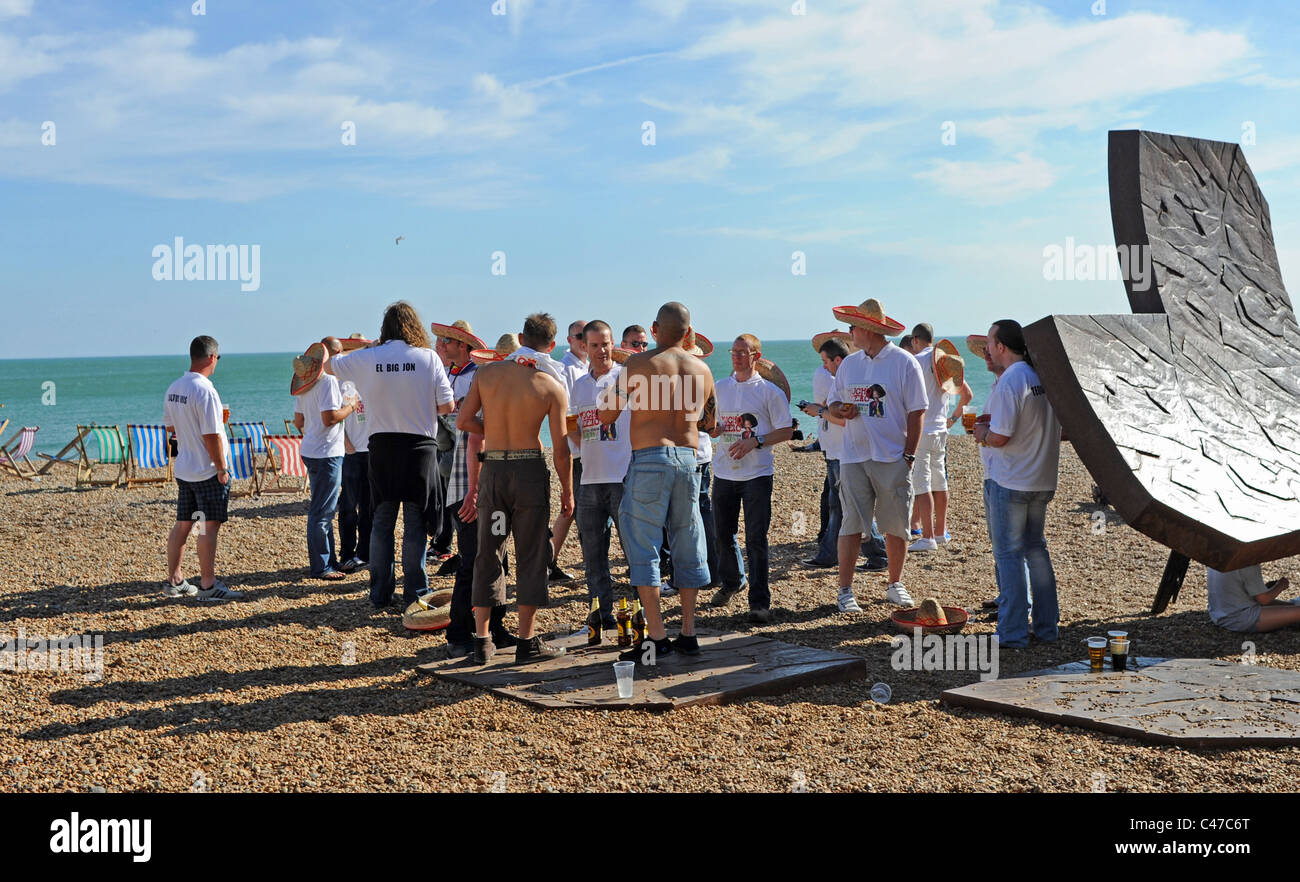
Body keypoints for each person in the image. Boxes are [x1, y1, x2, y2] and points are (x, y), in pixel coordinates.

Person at [458, 312, 574, 666]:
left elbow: (464, 421)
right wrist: (567, 493)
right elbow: (561, 446)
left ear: (521, 337)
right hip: (527, 471)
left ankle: (481, 640)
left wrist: (492, 423)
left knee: (488, 551)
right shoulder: (549, 385)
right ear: (552, 345)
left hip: (493, 468)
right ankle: (526, 641)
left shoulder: (487, 373)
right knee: (530, 554)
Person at [603, 302, 716, 662]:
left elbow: (607, 412)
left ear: (654, 329)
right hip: (688, 459)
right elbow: (711, 423)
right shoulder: (702, 369)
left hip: (650, 458)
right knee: (687, 539)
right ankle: (688, 632)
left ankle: (655, 637)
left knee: (644, 543)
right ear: (688, 332)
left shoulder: (636, 364)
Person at [329, 302, 454, 610]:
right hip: (419, 450)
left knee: (382, 521)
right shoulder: (429, 358)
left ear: (385, 328)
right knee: (415, 522)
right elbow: (447, 407)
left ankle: (380, 593)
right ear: (415, 327)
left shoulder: (368, 358)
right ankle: (416, 594)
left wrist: (368, 350)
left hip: (382, 447)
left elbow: (329, 363)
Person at [828, 298, 927, 612]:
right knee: (851, 524)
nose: (850, 333)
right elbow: (833, 403)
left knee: (895, 525)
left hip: (892, 456)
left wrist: (908, 457)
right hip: (854, 455)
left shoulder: (903, 362)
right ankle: (845, 590)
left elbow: (917, 412)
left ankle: (895, 584)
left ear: (867, 330)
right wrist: (839, 409)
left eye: (852, 327)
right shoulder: (851, 364)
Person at [974, 319, 1061, 649]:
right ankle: (1046, 627)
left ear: (1001, 347)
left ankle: (1011, 633)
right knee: (1035, 551)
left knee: (1009, 555)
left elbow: (1000, 436)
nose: (986, 349)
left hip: (1012, 479)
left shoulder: (1012, 379)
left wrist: (982, 434)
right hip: (1041, 476)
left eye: (989, 343)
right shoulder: (1042, 375)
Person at [710, 334, 794, 622]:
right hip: (723, 471)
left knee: (756, 538)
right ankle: (732, 582)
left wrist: (755, 441)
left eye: (743, 352)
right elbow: (711, 423)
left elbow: (786, 431)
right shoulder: (719, 387)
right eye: (734, 352)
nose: (737, 357)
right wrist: (713, 430)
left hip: (757, 474)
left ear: (756, 356)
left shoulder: (770, 392)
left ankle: (759, 602)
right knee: (722, 534)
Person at [442, 334, 515, 658]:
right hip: (475, 489)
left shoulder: (481, 389)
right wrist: (474, 493)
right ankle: (462, 632)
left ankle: (488, 629)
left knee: (490, 559)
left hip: (472, 488)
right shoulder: (491, 393)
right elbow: (476, 443)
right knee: (479, 560)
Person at [162, 335, 242, 600]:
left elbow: (172, 427)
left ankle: (174, 580)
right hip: (207, 469)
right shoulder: (205, 389)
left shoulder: (175, 387)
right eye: (217, 358)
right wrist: (222, 468)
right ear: (211, 357)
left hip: (185, 467)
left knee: (183, 524)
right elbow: (211, 435)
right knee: (207, 526)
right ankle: (207, 585)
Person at [568, 320, 632, 628]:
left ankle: (640, 617)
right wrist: (584, 446)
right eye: (594, 345)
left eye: (605, 343)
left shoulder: (625, 379)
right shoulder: (579, 385)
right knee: (593, 557)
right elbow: (569, 424)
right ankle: (600, 616)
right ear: (584, 347)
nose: (601, 350)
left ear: (612, 343)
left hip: (623, 477)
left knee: (634, 553)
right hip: (589, 481)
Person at [428, 320, 487, 575]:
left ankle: (467, 556)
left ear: (463, 345)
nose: (441, 344)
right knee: (450, 504)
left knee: (463, 507)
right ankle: (454, 549)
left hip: (468, 451)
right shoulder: (449, 371)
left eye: (447, 340)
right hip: (447, 450)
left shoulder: (477, 373)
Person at [907, 324, 973, 551]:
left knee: (922, 482)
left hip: (922, 429)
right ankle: (940, 531)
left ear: (915, 340)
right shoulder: (944, 362)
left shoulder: (915, 361)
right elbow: (968, 395)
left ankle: (927, 537)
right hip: (941, 429)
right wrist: (953, 420)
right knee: (939, 480)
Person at [293, 337, 354, 581]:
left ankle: (329, 560)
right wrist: (351, 406)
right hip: (327, 451)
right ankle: (321, 566)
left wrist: (312, 431)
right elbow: (329, 418)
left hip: (310, 449)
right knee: (323, 511)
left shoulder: (304, 387)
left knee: (322, 507)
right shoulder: (328, 382)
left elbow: (299, 422)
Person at [801, 336, 849, 569]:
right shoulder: (840, 380)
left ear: (837, 360)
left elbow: (843, 421)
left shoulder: (843, 382)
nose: (823, 366)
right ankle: (876, 552)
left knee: (839, 505)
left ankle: (830, 554)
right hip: (836, 451)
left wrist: (819, 411)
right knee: (842, 504)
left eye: (825, 361)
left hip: (842, 452)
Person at [548, 318, 589, 584]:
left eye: (587, 336)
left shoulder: (587, 365)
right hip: (578, 450)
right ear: (569, 339)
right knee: (571, 508)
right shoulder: (565, 368)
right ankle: (548, 562)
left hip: (588, 448)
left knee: (574, 510)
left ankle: (548, 562)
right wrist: (587, 445)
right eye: (578, 336)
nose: (583, 340)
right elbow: (566, 415)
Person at [338, 351, 372, 575]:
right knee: (348, 506)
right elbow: (335, 417)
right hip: (351, 452)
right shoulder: (344, 384)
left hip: (372, 450)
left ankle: (365, 554)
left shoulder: (373, 380)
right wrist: (346, 441)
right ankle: (347, 553)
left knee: (369, 507)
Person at [1207, 566, 1300, 632]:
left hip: (1218, 612)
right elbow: (1264, 599)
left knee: (1293, 606)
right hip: (1238, 618)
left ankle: (1294, 605)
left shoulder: (1221, 557)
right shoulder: (1249, 562)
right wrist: (1281, 585)